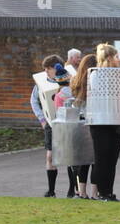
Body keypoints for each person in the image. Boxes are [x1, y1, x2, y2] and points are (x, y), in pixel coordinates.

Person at [87, 43, 120, 202]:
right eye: (117, 56)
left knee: (112, 158)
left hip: (115, 121)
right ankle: (102, 192)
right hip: (100, 122)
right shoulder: (96, 74)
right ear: (110, 58)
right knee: (102, 157)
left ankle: (109, 191)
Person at [32, 55, 65, 196]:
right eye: (45, 69)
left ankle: (73, 190)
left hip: (66, 122)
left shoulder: (66, 80)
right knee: (50, 156)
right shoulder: (40, 84)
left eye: (48, 68)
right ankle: (51, 190)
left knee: (71, 157)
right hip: (50, 125)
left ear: (56, 68)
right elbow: (34, 101)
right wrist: (42, 120)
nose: (46, 71)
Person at [67, 53, 97, 198]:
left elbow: (74, 104)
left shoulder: (75, 81)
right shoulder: (96, 81)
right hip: (94, 123)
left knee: (83, 161)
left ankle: (82, 191)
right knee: (95, 160)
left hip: (79, 123)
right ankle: (94, 192)